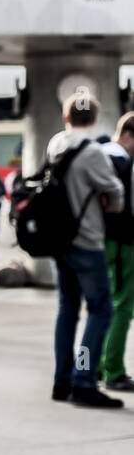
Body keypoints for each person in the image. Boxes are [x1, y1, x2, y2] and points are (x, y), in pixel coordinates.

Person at [47, 93, 125, 408]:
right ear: (93, 120)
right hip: (87, 241)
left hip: (59, 242)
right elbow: (115, 191)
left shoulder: (55, 144)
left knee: (67, 309)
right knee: (100, 309)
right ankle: (84, 378)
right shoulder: (92, 151)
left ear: (67, 118)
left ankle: (62, 380)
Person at [100, 112, 134, 392]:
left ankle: (90, 367)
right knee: (122, 306)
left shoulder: (98, 154)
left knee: (95, 308)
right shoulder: (122, 162)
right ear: (128, 135)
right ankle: (113, 370)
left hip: (94, 242)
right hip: (122, 242)